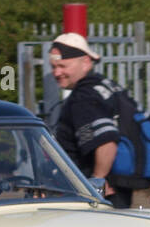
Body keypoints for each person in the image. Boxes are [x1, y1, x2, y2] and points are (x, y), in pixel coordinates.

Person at [48, 32, 132, 208]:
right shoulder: (107, 85)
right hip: (118, 188)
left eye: (63, 66)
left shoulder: (84, 97)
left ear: (85, 62)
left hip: (98, 194)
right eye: (53, 66)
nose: (57, 73)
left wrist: (97, 184)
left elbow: (106, 140)